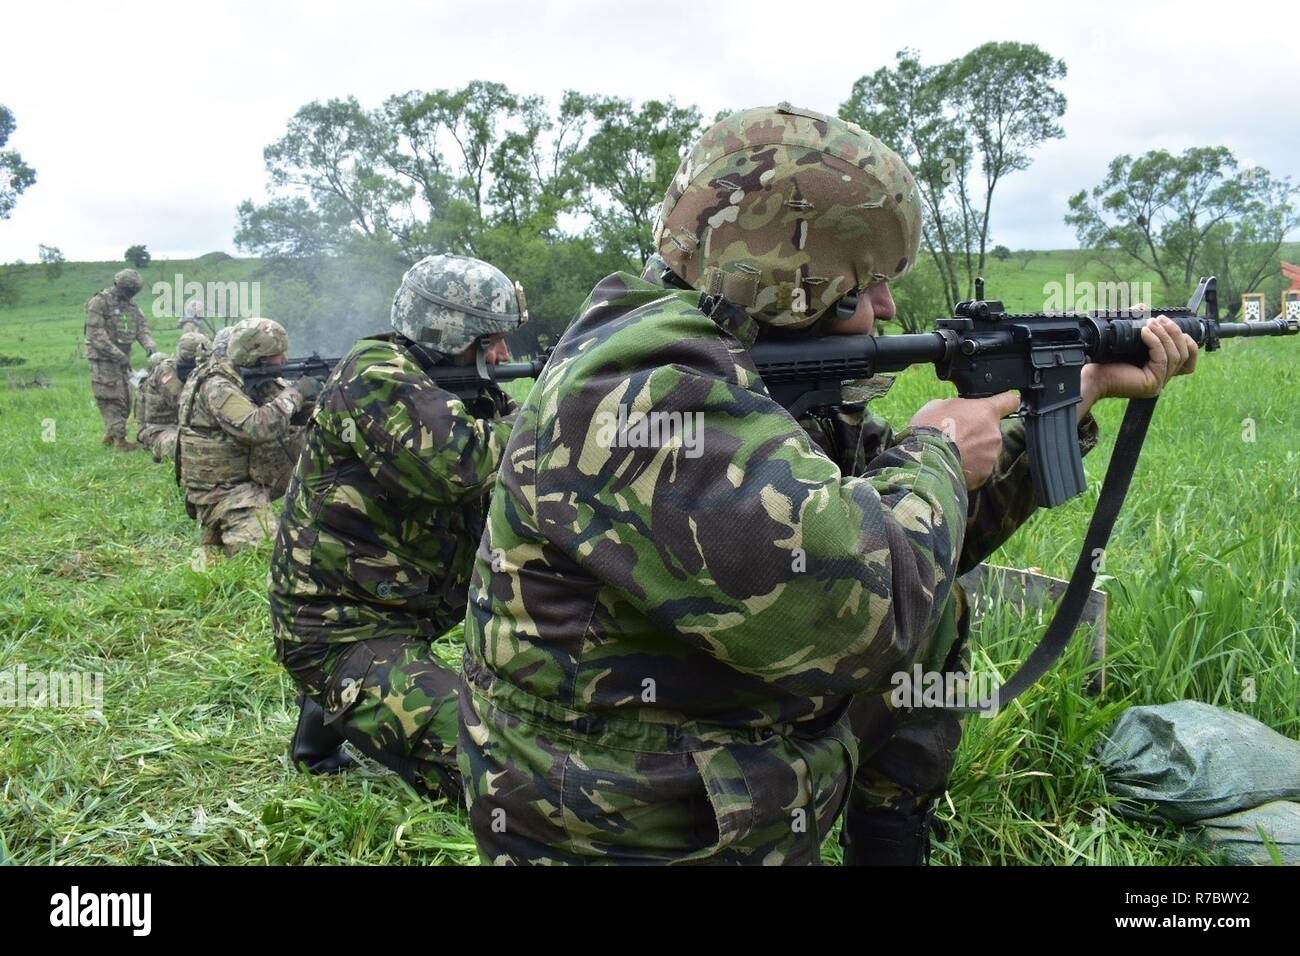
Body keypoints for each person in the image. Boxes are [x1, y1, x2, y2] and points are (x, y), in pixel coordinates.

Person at [456, 104, 1198, 865]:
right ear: (788, 277)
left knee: (937, 610)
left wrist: (1078, 394)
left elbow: (926, 539)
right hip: (616, 812)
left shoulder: (753, 373)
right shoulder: (646, 385)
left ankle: (889, 842)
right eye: (863, 286)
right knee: (908, 610)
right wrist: (938, 448)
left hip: (704, 728)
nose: (886, 311)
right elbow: (863, 612)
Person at [269, 254, 524, 799]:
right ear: (452, 334)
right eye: (493, 341)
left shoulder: (455, 393)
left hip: (399, 615)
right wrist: (560, 413)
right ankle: (343, 688)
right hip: (338, 631)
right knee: (503, 770)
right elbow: (462, 464)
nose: (504, 356)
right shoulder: (374, 375)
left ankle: (334, 713)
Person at [177, 317, 317, 555]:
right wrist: (296, 394)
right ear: (255, 355)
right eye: (277, 354)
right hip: (224, 490)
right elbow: (256, 427)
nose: (284, 359)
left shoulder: (251, 376)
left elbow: (289, 414)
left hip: (247, 480)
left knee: (317, 435)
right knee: (269, 555)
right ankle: (220, 522)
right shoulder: (217, 384)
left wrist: (320, 398)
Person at [84, 268, 155, 450]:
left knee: (126, 398)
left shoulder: (132, 306)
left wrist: (149, 345)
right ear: (117, 285)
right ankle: (119, 441)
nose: (129, 295)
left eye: (132, 293)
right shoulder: (99, 303)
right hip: (103, 359)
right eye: (126, 291)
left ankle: (111, 434)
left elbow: (141, 328)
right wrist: (118, 355)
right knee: (110, 397)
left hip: (122, 359)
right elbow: (96, 334)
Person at [136, 331, 210, 462]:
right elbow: (182, 401)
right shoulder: (166, 371)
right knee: (186, 447)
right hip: (158, 429)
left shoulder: (200, 368)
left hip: (184, 425)